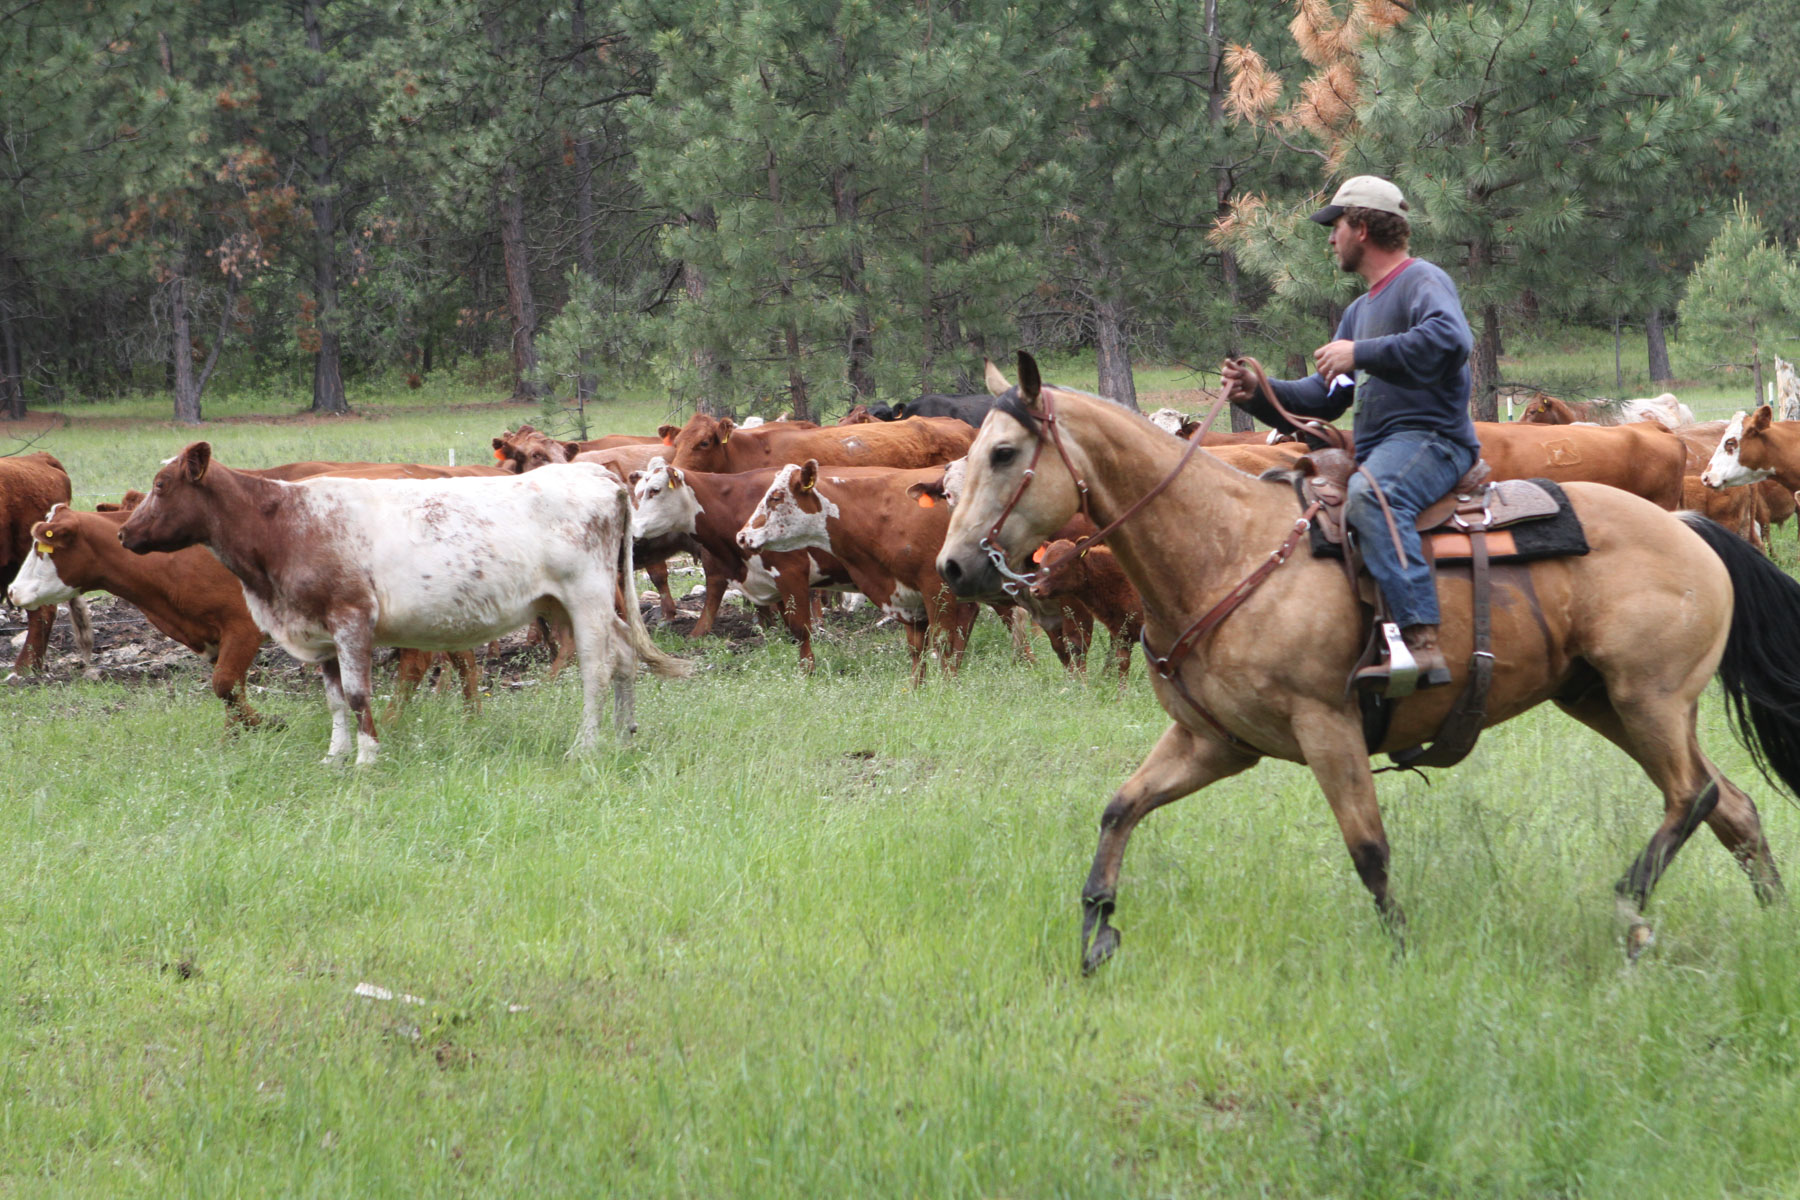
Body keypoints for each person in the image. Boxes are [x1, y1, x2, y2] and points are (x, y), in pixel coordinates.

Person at [1220, 175, 1478, 689]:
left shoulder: (1422, 279)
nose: (1328, 237)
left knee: (1374, 496)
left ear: (1361, 227)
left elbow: (1451, 339)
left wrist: (1359, 353)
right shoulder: (1358, 312)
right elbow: (1326, 398)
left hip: (1433, 441)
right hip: (1382, 448)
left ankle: (1422, 644)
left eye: (1334, 225)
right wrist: (1258, 390)